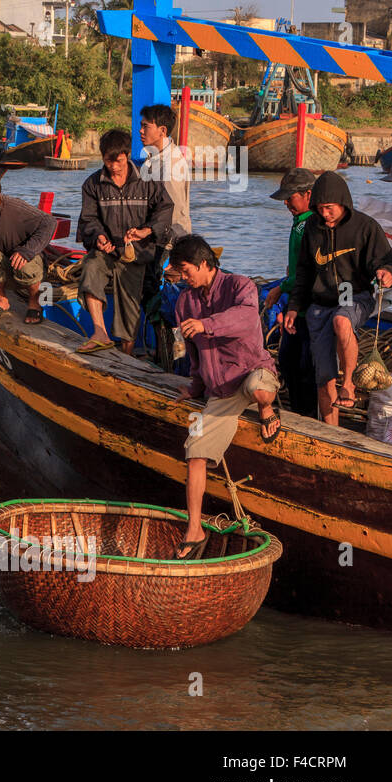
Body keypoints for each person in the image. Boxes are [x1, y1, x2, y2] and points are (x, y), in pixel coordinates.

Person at [170, 235, 281, 559]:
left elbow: (247, 319)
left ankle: (267, 408)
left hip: (253, 371)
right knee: (194, 450)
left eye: (186, 269)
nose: (183, 276)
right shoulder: (184, 303)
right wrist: (194, 387)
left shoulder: (240, 285)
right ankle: (194, 528)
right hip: (221, 390)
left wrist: (207, 324)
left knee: (259, 391)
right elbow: (192, 354)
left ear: (205, 264)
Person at [284, 171, 392, 426]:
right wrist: (293, 307)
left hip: (354, 294)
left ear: (343, 203)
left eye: (330, 208)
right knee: (323, 379)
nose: (325, 214)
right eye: (320, 209)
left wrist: (388, 273)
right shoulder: (312, 227)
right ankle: (332, 431)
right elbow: (303, 271)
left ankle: (348, 385)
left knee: (342, 321)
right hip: (319, 303)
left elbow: (388, 261)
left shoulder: (366, 227)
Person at [75, 128, 174, 354]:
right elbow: (88, 219)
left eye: (119, 161)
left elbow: (165, 209)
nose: (114, 167)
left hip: (137, 253)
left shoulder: (147, 179)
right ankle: (99, 332)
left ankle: (126, 355)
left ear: (127, 155)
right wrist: (99, 237)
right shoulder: (92, 184)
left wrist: (146, 231)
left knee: (129, 307)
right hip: (107, 251)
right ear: (102, 158)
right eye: (109, 161)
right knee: (90, 268)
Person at [0, 167, 57, 325]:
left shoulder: (15, 207)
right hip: (4, 262)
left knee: (24, 265)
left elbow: (49, 222)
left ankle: (34, 303)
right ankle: (2, 300)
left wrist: (27, 251)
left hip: (29, 260)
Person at [262, 168, 318, 417]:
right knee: (289, 360)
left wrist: (281, 287)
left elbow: (306, 272)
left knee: (304, 366)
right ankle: (299, 412)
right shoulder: (299, 224)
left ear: (308, 194)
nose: (286, 203)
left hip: (309, 306)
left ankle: (307, 415)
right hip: (297, 304)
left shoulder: (309, 225)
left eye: (290, 197)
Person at [139, 103, 192, 242]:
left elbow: (172, 210)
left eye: (146, 127)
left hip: (170, 239)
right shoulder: (155, 157)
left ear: (162, 131)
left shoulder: (171, 165)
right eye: (141, 126)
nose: (140, 131)